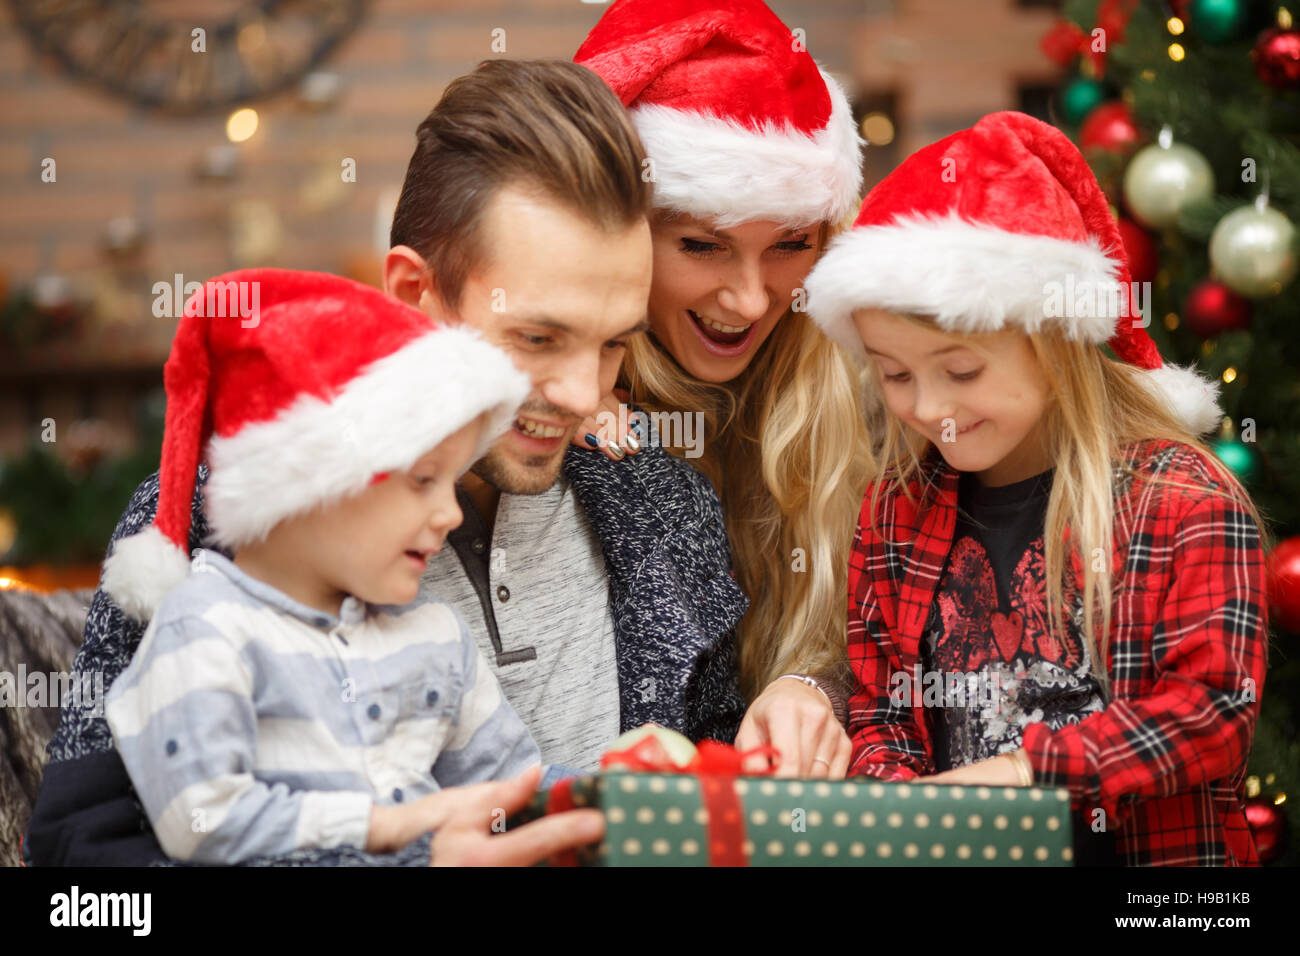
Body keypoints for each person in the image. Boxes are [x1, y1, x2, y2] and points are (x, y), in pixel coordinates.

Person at [26, 59, 741, 868]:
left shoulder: (665, 510)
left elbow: (719, 812)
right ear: (412, 292)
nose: (583, 392)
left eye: (614, 343)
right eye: (538, 339)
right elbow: (78, 883)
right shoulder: (219, 513)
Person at [804, 110, 1269, 865]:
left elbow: (1212, 712)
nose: (928, 409)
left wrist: (1025, 771)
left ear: (1056, 344)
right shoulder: (894, 510)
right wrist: (903, 811)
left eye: (960, 371)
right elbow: (879, 709)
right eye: (895, 374)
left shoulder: (1184, 500)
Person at [99, 269, 587, 863]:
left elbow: (508, 789)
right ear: (307, 483)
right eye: (423, 480)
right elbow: (201, 820)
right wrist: (383, 827)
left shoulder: (433, 634)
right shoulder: (203, 630)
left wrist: (604, 795)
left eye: (451, 482)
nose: (450, 513)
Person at [571, 0, 875, 778]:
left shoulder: (875, 381)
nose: (746, 299)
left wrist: (814, 688)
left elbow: (887, 642)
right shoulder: (548, 417)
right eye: (702, 244)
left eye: (789, 246)